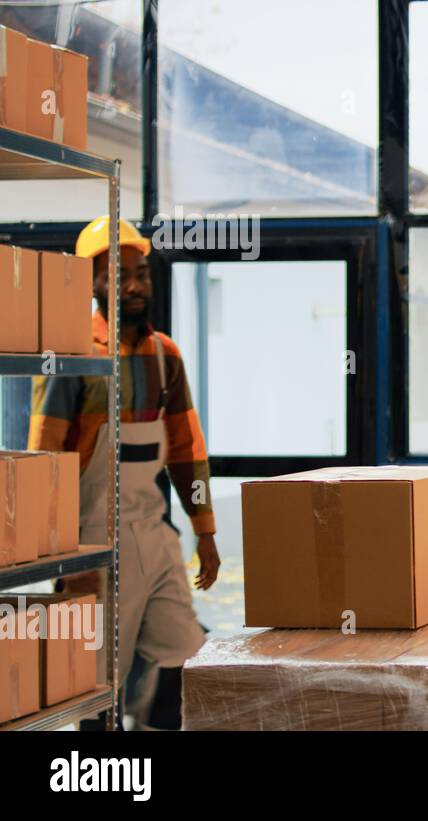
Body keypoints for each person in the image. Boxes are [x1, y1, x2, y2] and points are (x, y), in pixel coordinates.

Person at [30, 216, 220, 730]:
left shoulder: (166, 355)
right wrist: (64, 556)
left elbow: (187, 451)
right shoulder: (71, 358)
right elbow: (44, 460)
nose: (135, 287)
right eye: (120, 276)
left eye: (142, 274)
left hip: (153, 534)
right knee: (95, 680)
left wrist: (204, 531)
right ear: (91, 284)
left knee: (183, 652)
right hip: (92, 541)